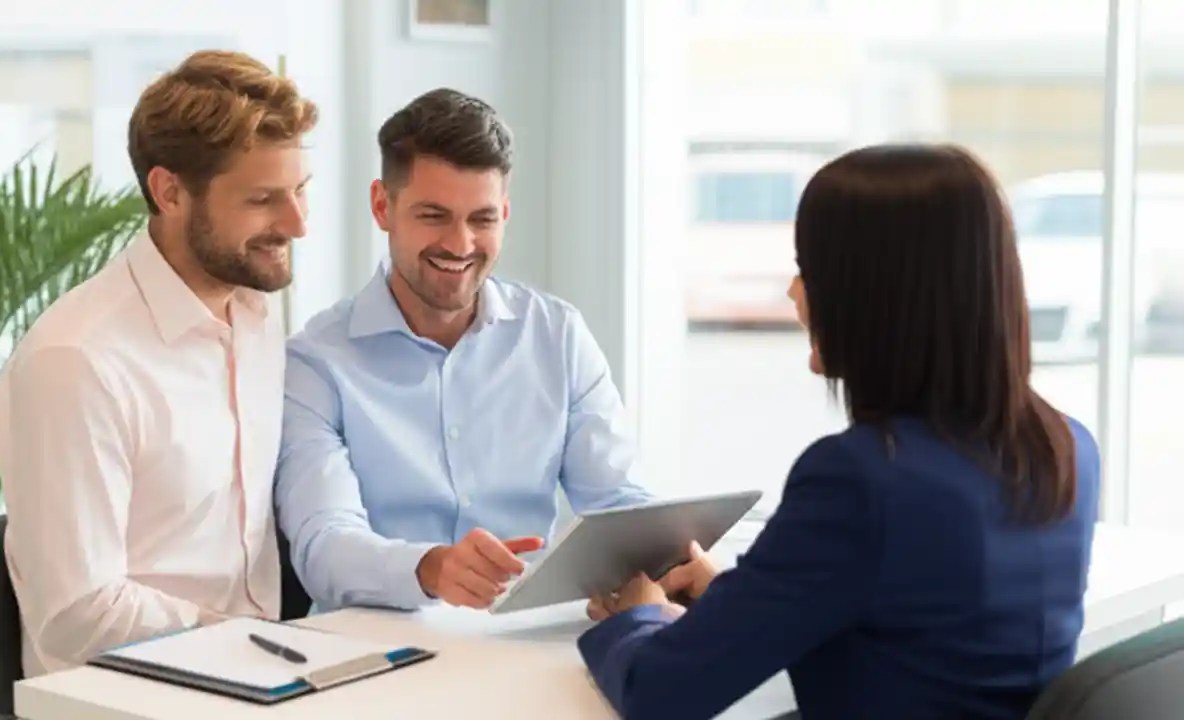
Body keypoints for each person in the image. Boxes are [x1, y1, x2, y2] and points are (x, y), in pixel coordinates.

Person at [577, 144, 1101, 720]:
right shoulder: (1067, 445)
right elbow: (918, 626)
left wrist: (638, 617)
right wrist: (739, 600)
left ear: (871, 295)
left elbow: (659, 693)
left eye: (808, 270)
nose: (793, 292)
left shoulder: (863, 479)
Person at [0, 50, 318, 677]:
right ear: (168, 191)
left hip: (257, 676)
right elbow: (78, 612)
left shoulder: (254, 317)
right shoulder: (77, 361)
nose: (297, 224)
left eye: (301, 190)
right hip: (125, 695)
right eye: (262, 199)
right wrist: (245, 641)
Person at [276, 88, 652, 613]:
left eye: (482, 219)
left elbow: (618, 503)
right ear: (383, 206)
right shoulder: (315, 361)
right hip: (379, 656)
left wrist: (665, 562)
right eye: (434, 216)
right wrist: (430, 568)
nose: (460, 245)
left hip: (525, 641)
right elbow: (323, 545)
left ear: (505, 213)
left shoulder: (557, 336)